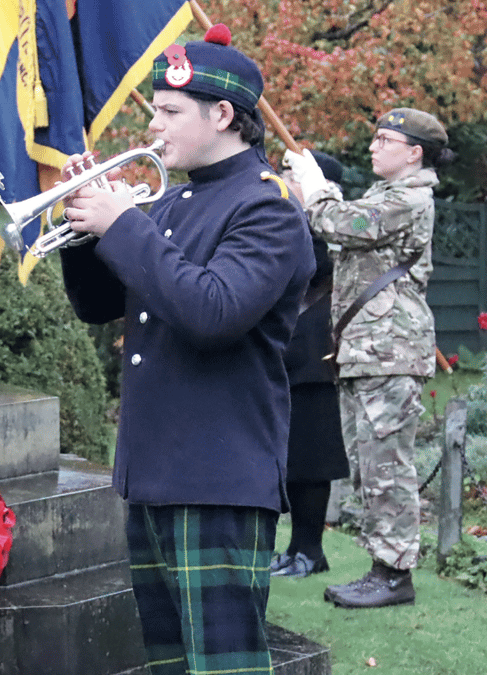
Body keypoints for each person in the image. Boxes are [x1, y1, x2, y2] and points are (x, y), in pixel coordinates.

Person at [58, 25, 314, 674]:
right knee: (170, 663)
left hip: (218, 474)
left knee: (225, 666)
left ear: (223, 114)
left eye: (169, 112)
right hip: (154, 471)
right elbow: (98, 305)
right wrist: (86, 225)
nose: (154, 128)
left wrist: (124, 224)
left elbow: (212, 311)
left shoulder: (268, 206)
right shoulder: (172, 205)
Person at [284, 108, 454, 608]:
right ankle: (381, 569)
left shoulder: (410, 197)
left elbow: (340, 223)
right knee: (368, 466)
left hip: (390, 351)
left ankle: (394, 576)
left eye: (384, 140)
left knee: (388, 467)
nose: (374, 147)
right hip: (368, 350)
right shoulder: (388, 194)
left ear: (413, 152)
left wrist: (315, 184)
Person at [270, 150, 350, 578]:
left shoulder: (331, 222)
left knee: (312, 458)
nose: (280, 178)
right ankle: (293, 548)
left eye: (289, 172)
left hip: (318, 351)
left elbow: (319, 267)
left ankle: (311, 551)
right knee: (290, 458)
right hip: (286, 352)